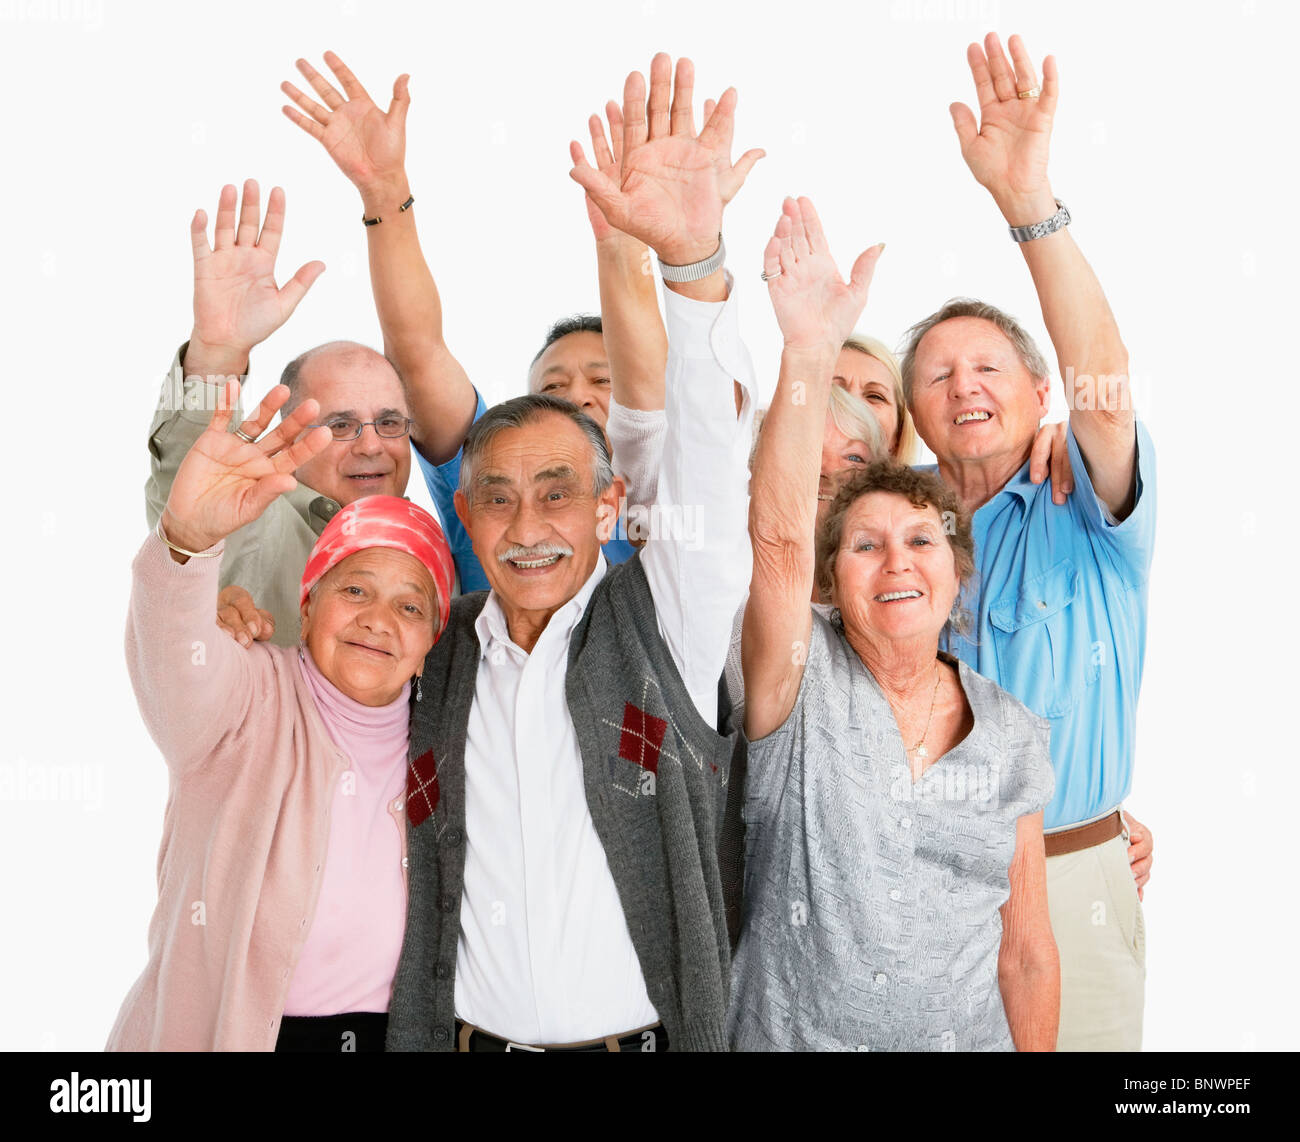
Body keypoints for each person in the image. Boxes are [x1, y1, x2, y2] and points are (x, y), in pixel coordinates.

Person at [382, 54, 755, 1052]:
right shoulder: (435, 653)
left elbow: (708, 465)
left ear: (609, 509)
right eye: (496, 499)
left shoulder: (663, 622)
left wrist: (691, 268)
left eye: (557, 492)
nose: (527, 522)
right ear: (467, 513)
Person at [731, 195, 1059, 1051]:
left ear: (957, 571)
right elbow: (777, 540)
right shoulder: (795, 682)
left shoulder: (1013, 731)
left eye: (921, 540)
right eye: (865, 546)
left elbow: (1025, 954)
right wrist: (808, 349)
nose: (899, 562)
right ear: (832, 581)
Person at [900, 33, 1157, 1049]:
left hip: (1072, 869)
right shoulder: (884, 537)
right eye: (937, 373)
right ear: (912, 413)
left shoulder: (1089, 511)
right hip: (916, 873)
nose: (964, 385)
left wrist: (1028, 205)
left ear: (1039, 392)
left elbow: (1105, 371)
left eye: (989, 367)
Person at [282, 52, 762, 589]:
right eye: (553, 388)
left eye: (605, 381)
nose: (577, 395)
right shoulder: (491, 504)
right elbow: (417, 354)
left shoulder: (668, 519)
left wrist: (632, 244)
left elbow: (648, 398)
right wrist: (384, 192)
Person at [109, 381, 454, 1051]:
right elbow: (173, 656)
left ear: (428, 646)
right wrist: (186, 543)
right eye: (354, 589)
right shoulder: (244, 698)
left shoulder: (441, 742)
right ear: (307, 607)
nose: (378, 621)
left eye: (410, 607)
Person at [145, 180, 418, 646]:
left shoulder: (432, 553)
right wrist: (217, 355)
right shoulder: (251, 522)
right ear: (291, 438)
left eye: (389, 422)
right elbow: (192, 485)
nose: (372, 445)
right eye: (341, 425)